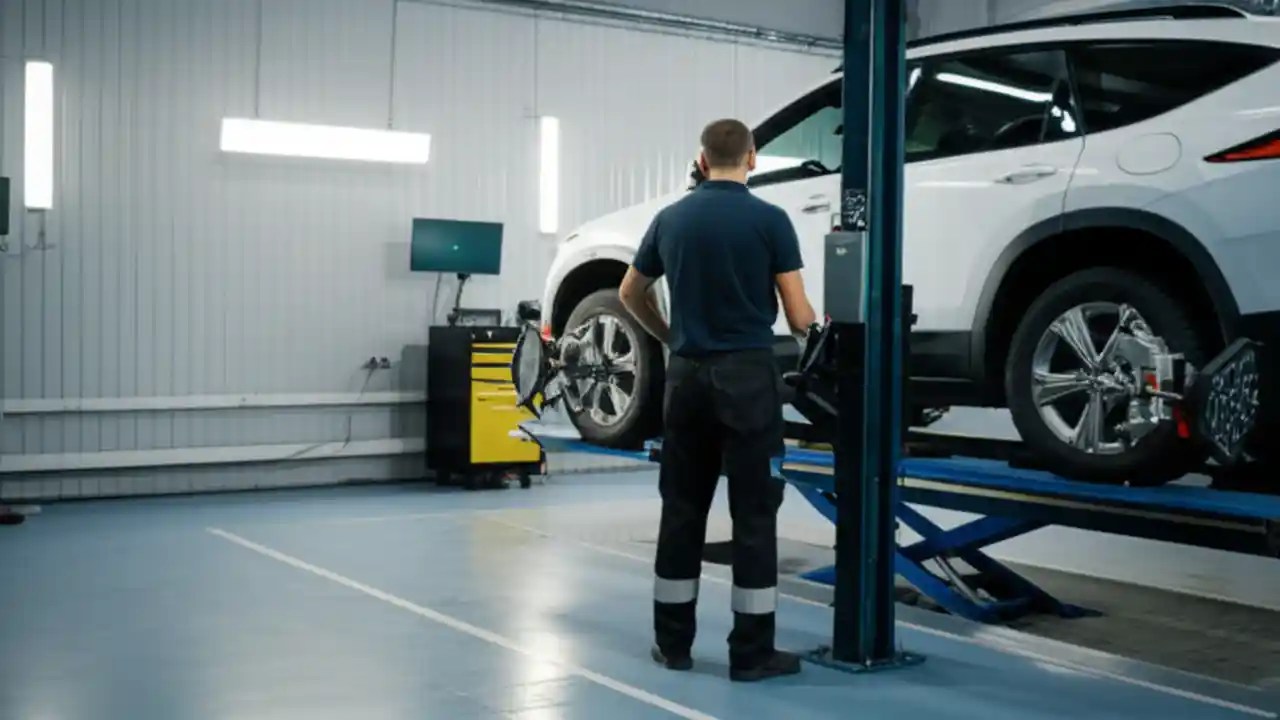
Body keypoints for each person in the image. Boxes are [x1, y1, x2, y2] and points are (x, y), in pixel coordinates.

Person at [618, 118, 817, 682]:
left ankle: (672, 645)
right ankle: (751, 655)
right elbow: (800, 315)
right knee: (754, 516)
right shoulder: (770, 220)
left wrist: (667, 335)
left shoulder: (671, 218)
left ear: (702, 161)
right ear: (752, 159)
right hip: (749, 380)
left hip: (686, 380)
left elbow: (631, 291)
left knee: (682, 510)